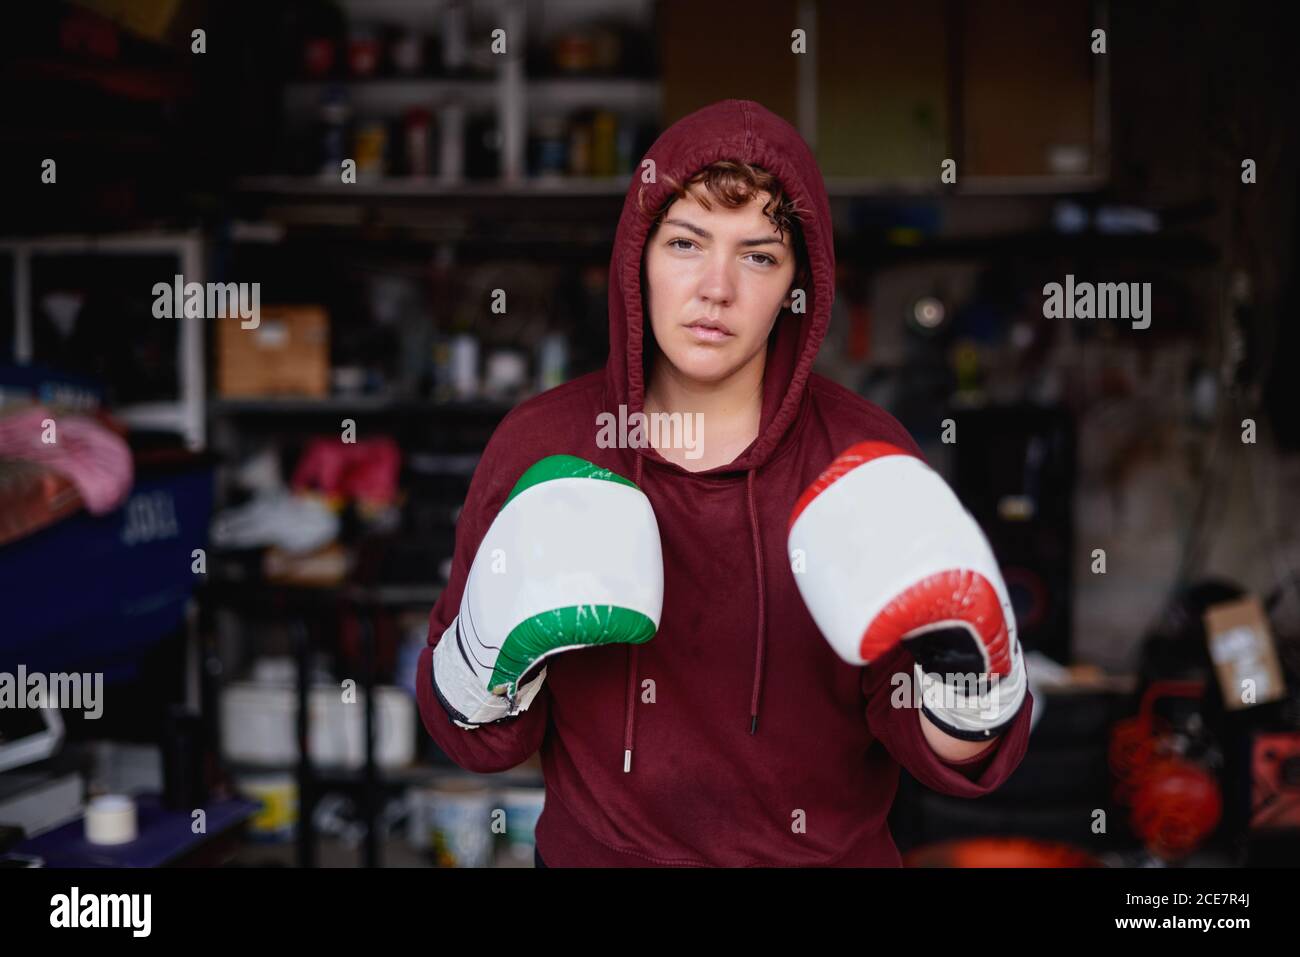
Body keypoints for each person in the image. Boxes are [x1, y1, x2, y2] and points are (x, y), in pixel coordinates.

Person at [415, 99, 1033, 867]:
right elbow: (475, 742)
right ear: (637, 253)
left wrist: (965, 672)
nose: (717, 288)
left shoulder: (861, 454)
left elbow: (945, 753)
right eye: (685, 242)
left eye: (759, 256)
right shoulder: (546, 442)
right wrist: (486, 662)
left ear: (798, 283)